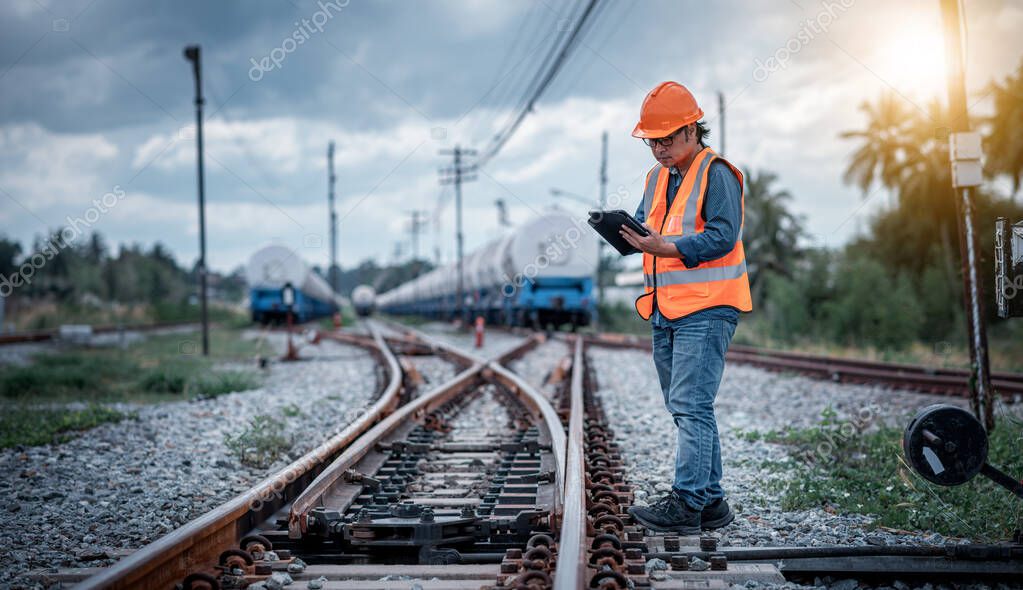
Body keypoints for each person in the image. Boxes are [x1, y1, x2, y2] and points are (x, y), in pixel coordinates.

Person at [618, 81, 752, 534]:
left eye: (667, 139)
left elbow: (723, 236)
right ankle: (712, 504)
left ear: (693, 130)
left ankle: (688, 504)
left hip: (708, 308)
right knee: (686, 407)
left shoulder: (718, 174)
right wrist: (621, 233)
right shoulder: (657, 178)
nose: (659, 149)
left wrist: (666, 247)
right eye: (652, 141)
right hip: (665, 308)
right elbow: (646, 230)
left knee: (692, 406)